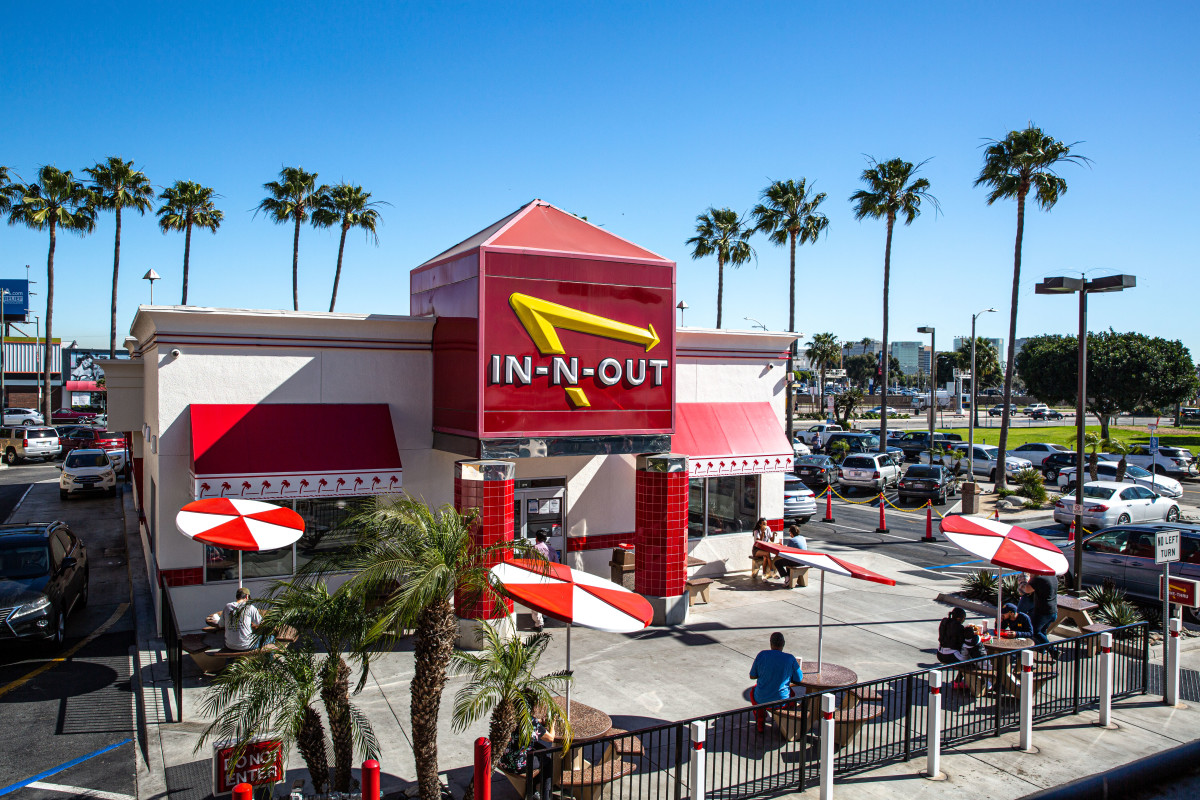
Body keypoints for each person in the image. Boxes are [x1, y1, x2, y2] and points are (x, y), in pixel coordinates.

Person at [749, 632, 804, 732]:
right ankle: (787, 720)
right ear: (783, 643)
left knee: (754, 692)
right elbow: (799, 678)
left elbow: (752, 676)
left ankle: (760, 722)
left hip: (762, 699)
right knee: (791, 693)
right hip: (782, 701)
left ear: (770, 643)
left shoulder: (762, 655)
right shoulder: (790, 658)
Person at [218, 587, 263, 652]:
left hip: (230, 645)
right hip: (247, 645)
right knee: (270, 637)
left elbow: (220, 624)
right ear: (247, 597)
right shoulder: (250, 607)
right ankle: (269, 660)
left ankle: (229, 661)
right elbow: (261, 623)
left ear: (237, 597)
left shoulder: (227, 607)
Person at [529, 531, 558, 632]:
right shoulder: (551, 550)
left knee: (536, 599)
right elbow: (556, 565)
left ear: (536, 538)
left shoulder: (534, 549)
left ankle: (539, 622)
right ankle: (545, 614)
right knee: (545, 597)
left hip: (537, 576)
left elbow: (529, 563)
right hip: (548, 577)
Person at [1028, 572, 1059, 652]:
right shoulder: (1053, 577)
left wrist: (1032, 577)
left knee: (1035, 631)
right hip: (1053, 611)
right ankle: (1042, 649)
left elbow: (1027, 589)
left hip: (1043, 612)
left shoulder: (1038, 579)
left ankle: (1053, 650)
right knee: (1042, 631)